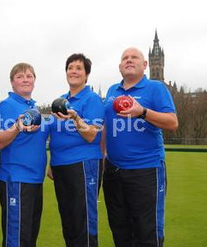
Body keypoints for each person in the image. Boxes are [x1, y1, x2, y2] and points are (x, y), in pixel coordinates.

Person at [103, 47, 178, 247]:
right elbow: (105, 128)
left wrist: (142, 111)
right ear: (120, 66)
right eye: (125, 58)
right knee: (120, 232)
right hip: (114, 171)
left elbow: (172, 122)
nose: (129, 60)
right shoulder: (112, 91)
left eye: (134, 57)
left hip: (145, 171)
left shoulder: (156, 88)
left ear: (145, 65)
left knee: (147, 232)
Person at [48, 53, 104, 247]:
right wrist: (51, 162)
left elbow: (91, 135)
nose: (74, 71)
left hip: (83, 165)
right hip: (60, 166)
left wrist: (75, 118)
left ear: (86, 75)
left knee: (83, 223)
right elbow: (54, 134)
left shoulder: (92, 99)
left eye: (79, 68)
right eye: (70, 67)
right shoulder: (61, 101)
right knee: (69, 222)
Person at [0, 63, 49, 247]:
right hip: (16, 180)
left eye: (29, 76)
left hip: (35, 181)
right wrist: (17, 126)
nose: (25, 79)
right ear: (12, 83)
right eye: (19, 76)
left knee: (29, 238)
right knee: (16, 239)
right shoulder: (6, 106)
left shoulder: (34, 108)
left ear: (34, 80)